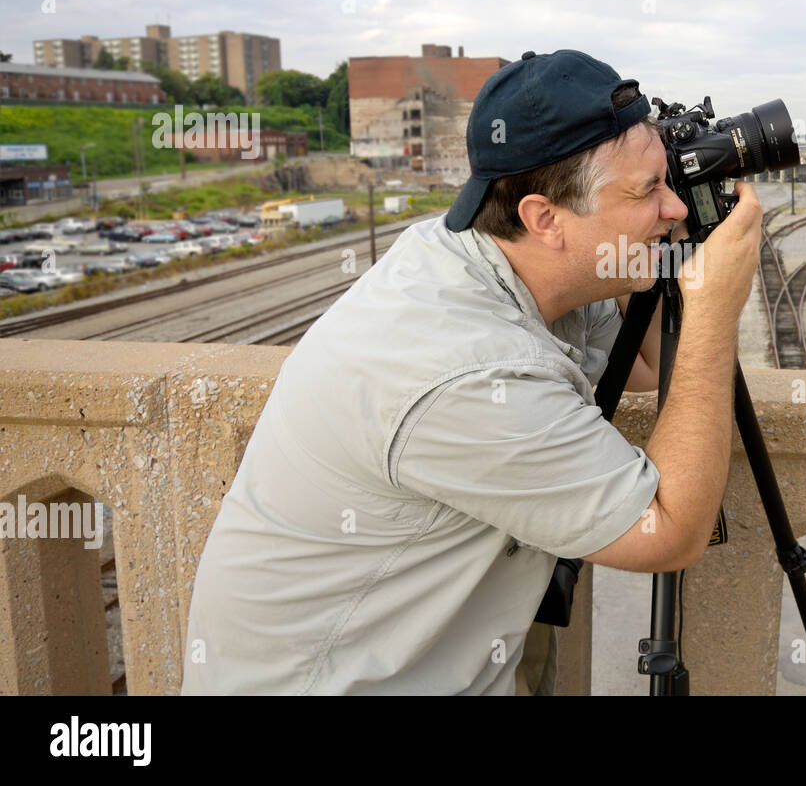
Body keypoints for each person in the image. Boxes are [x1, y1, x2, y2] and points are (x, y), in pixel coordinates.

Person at [181, 48, 761, 695]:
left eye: (666, 184)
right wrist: (713, 310)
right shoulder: (470, 369)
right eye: (646, 190)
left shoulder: (489, 254)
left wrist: (654, 237)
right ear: (545, 218)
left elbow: (651, 365)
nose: (675, 208)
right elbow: (669, 530)